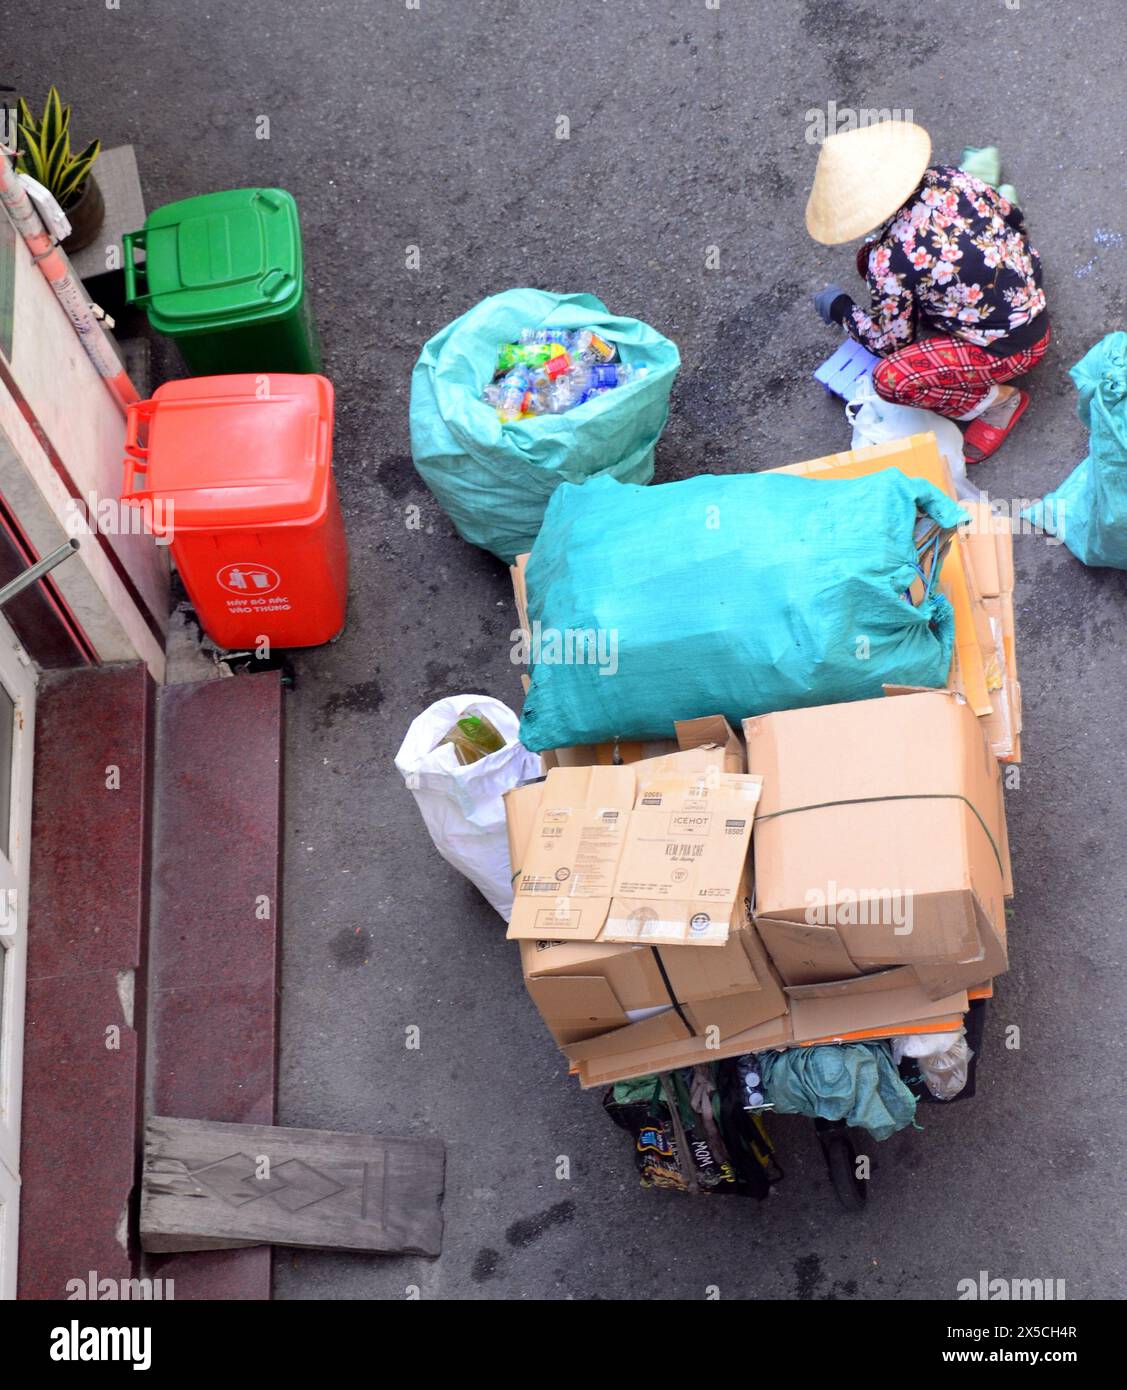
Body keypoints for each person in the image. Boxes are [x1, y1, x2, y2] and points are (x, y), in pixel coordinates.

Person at [806, 121, 1049, 462]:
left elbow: (890, 345)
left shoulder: (887, 260)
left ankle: (997, 401)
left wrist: (842, 310)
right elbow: (1014, 218)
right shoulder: (947, 177)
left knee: (891, 381)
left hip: (1013, 349)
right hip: (1029, 291)